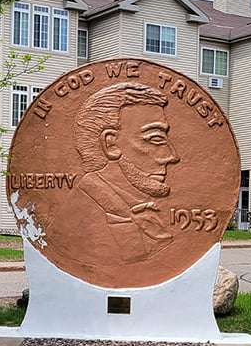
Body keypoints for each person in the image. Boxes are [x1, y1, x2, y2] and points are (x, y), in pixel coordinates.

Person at [51, 82, 180, 270]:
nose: (171, 156)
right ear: (111, 144)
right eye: (155, 139)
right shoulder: (77, 219)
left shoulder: (132, 208)